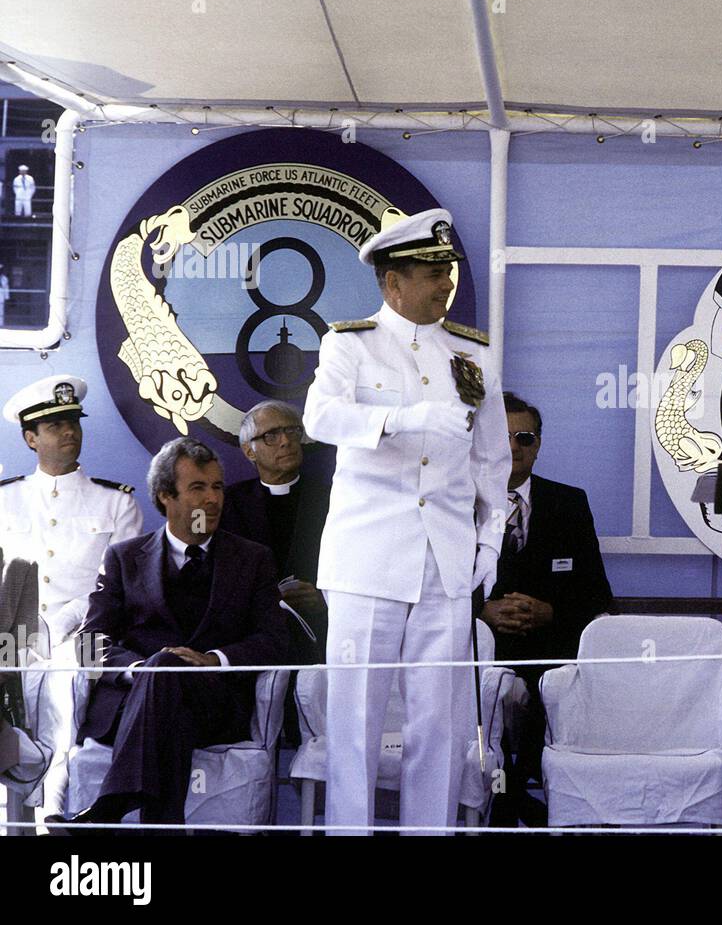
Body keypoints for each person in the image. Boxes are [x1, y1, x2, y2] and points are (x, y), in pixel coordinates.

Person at [303, 206, 510, 835]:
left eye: (447, 270)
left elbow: (493, 462)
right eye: (430, 272)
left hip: (446, 560)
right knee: (355, 722)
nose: (445, 283)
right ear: (393, 283)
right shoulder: (350, 344)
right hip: (368, 560)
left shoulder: (472, 357)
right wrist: (402, 418)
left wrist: (491, 540)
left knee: (440, 725)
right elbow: (319, 419)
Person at [46, 437, 291, 833]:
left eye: (217, 487)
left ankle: (112, 803)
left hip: (215, 702)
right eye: (198, 488)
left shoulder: (252, 558)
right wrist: (141, 670)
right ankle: (159, 823)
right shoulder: (125, 557)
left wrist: (215, 660)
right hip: (132, 703)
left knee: (168, 672)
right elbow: (91, 643)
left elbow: (275, 640)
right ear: (165, 497)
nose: (212, 499)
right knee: (164, 673)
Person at [0, 375, 142, 822]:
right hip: (12, 632)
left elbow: (110, 591)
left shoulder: (116, 504)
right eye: (56, 425)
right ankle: (14, 817)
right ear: (31, 438)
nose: (69, 432)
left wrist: (57, 629)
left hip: (84, 633)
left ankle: (53, 811)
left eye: (73, 422)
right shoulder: (6, 500)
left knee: (64, 685)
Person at [480, 392, 613, 826]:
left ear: (538, 444)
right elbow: (430, 589)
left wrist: (549, 612)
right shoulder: (454, 500)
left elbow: (597, 595)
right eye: (503, 438)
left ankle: (509, 796)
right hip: (479, 652)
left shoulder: (569, 503)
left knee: (555, 683)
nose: (514, 447)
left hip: (549, 651)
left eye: (524, 437)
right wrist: (482, 613)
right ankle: (512, 799)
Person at [221, 400, 330, 666]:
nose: (286, 441)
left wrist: (323, 598)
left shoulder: (331, 498)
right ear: (249, 452)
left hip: (319, 631)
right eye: (271, 435)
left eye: (292, 431)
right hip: (251, 635)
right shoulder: (230, 504)